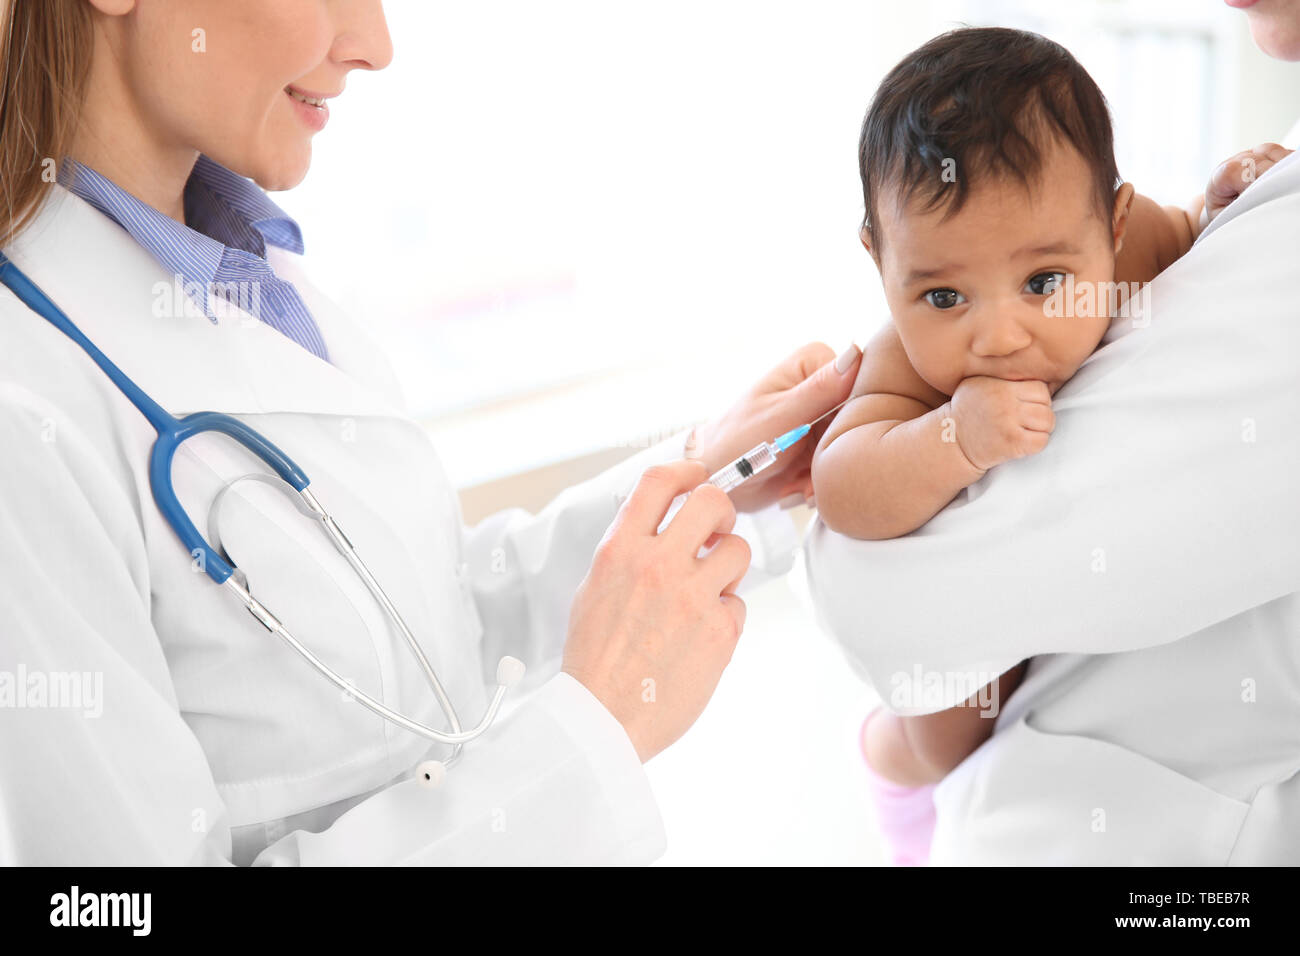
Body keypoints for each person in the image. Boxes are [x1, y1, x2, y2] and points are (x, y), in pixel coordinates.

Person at [0, 0, 860, 865]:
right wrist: (590, 735)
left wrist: (700, 477)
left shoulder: (246, 267)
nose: (373, 45)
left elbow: (420, 636)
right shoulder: (24, 417)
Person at [805, 2, 1300, 864]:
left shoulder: (1133, 245)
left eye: (1042, 281)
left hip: (1063, 632)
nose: (997, 336)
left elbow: (1187, 243)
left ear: (1111, 226)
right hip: (961, 667)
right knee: (947, 738)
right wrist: (951, 440)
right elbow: (841, 484)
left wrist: (1218, 205)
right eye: (943, 297)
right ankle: (894, 770)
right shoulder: (909, 365)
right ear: (880, 262)